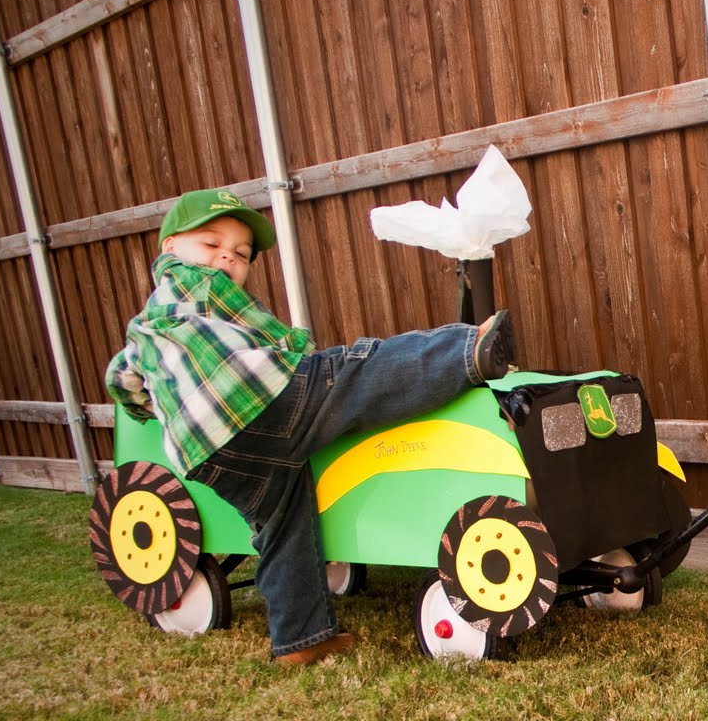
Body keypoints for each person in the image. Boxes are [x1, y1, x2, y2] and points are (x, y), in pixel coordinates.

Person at [105, 189, 516, 665]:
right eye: (211, 244)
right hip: (263, 402)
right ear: (170, 249)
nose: (227, 258)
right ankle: (467, 351)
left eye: (240, 253)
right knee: (353, 371)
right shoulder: (200, 283)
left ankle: (301, 640)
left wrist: (158, 408)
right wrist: (302, 350)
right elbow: (273, 334)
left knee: (284, 524)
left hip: (209, 455)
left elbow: (122, 381)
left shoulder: (143, 328)